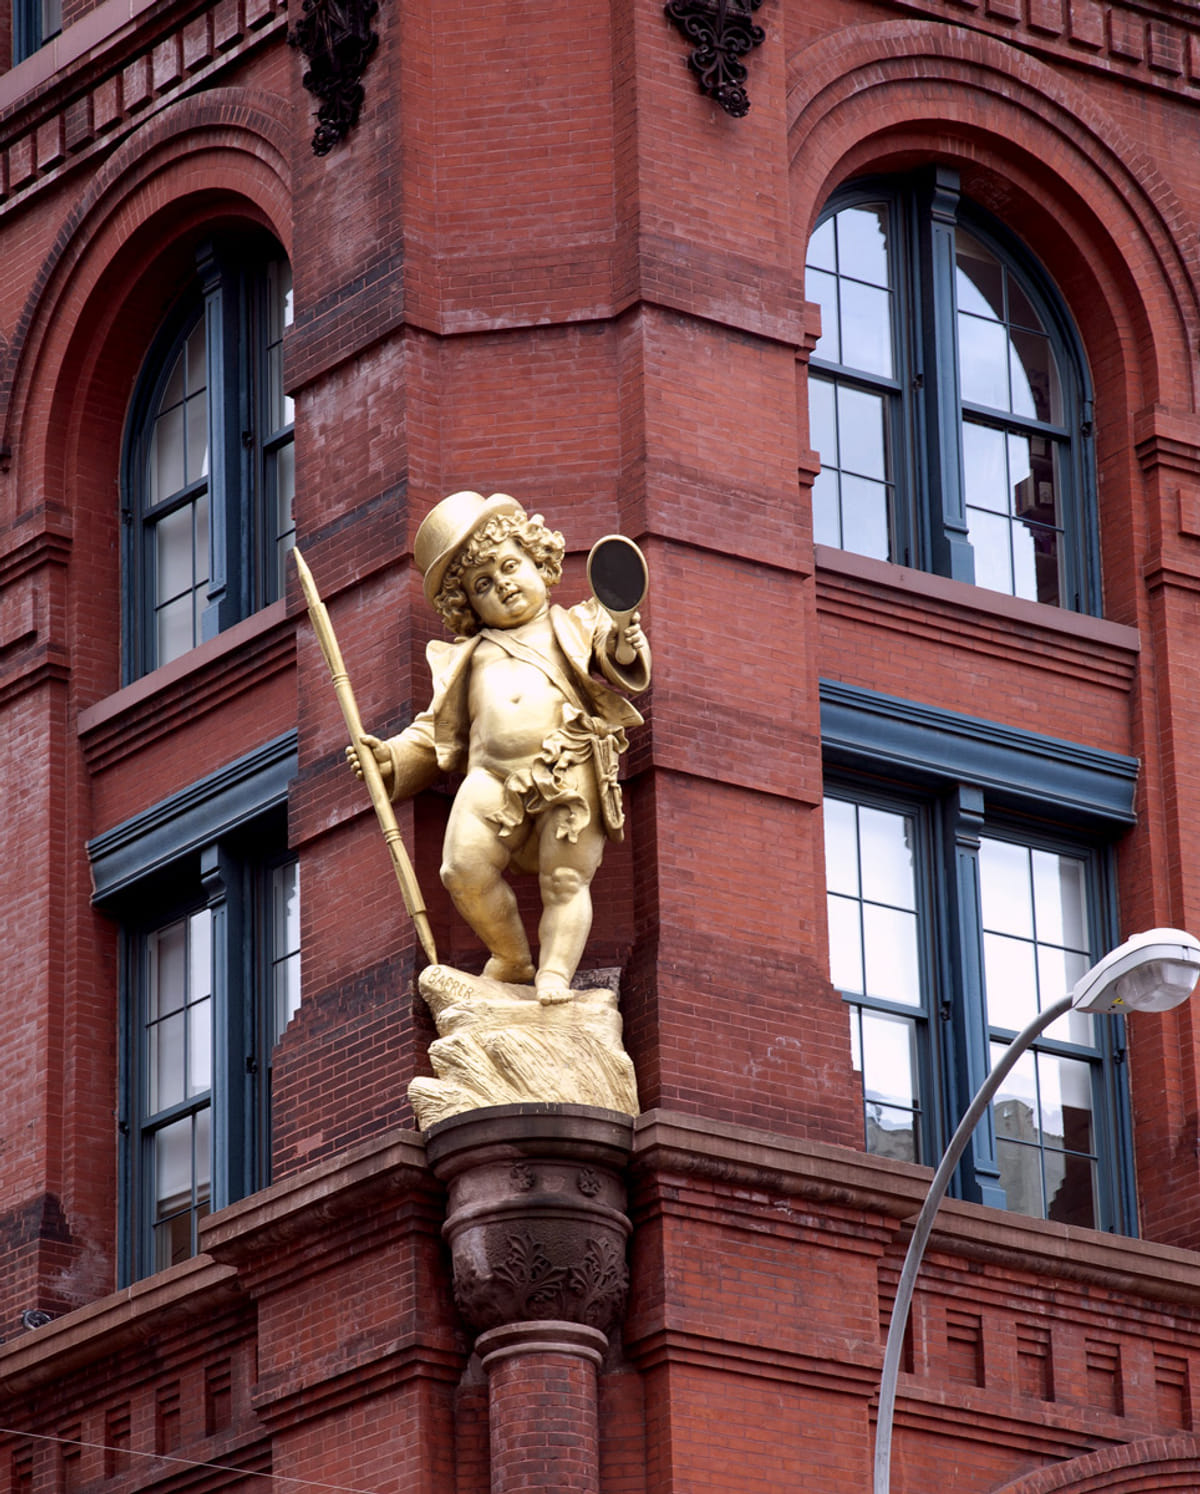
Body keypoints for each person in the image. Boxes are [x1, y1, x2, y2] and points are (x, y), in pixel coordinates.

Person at [350, 491, 651, 1004]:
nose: (503, 584)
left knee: (565, 879)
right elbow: (436, 731)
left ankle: (554, 975)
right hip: (489, 777)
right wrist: (392, 757)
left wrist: (625, 638)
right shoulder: (464, 659)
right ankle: (512, 958)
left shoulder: (576, 624)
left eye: (510, 566)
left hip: (569, 762)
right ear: (468, 605)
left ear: (538, 560)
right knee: (461, 869)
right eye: (483, 584)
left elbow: (618, 655)